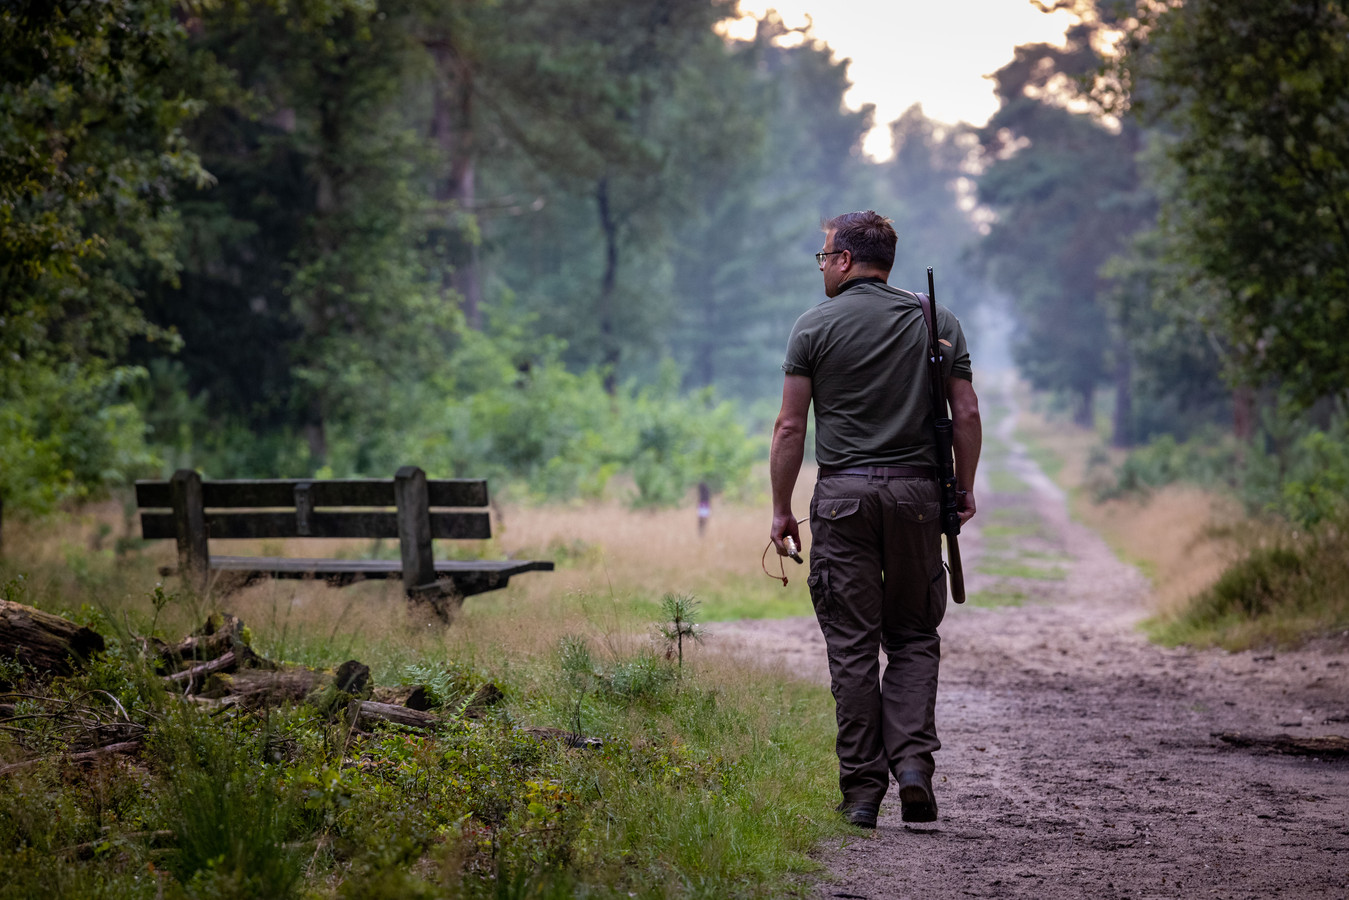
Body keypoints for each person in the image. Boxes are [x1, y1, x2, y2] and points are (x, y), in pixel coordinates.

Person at [769, 211, 981, 829]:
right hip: (918, 496)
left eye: (824, 256)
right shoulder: (936, 320)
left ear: (843, 261)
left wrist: (781, 508)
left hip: (842, 500)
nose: (822, 267)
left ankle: (862, 792)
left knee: (853, 644)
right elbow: (966, 414)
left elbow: (790, 426)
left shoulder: (813, 326)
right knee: (913, 634)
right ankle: (912, 765)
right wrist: (962, 488)